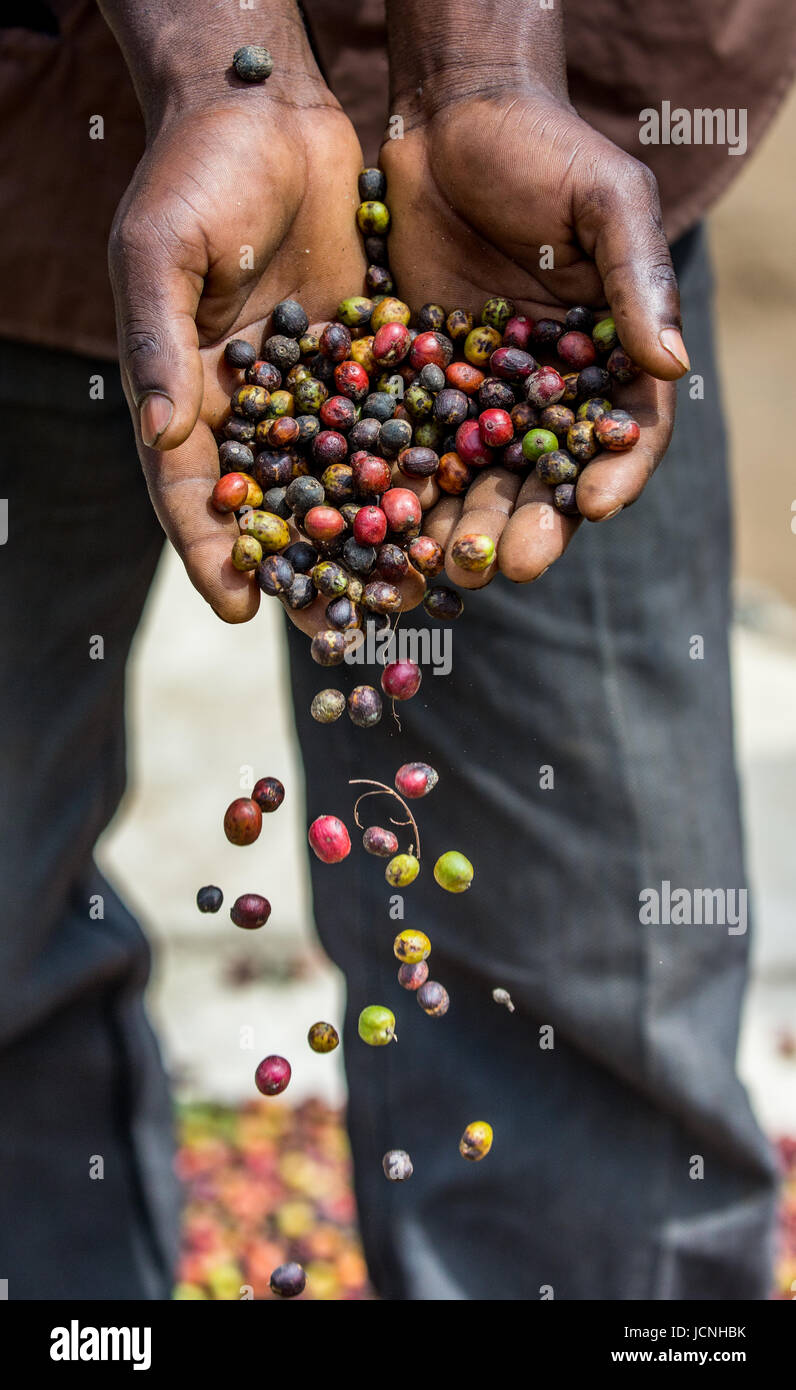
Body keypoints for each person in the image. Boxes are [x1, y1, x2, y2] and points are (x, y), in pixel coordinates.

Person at [0, 0, 793, 1299]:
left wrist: (483, 62)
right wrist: (218, 58)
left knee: (584, 985)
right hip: (32, 140)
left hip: (535, 221)